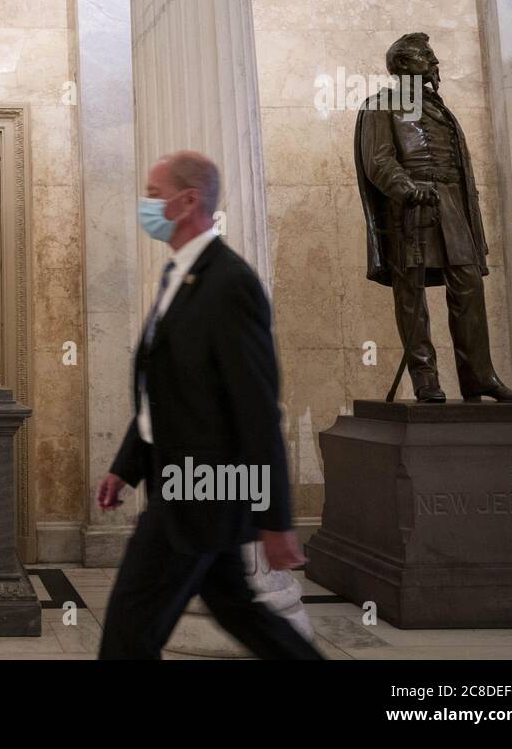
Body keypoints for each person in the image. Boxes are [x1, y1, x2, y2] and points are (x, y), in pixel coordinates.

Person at [96, 151, 321, 660]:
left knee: (128, 634)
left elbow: (258, 408)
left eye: (154, 194)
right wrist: (126, 468)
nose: (146, 204)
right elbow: (167, 391)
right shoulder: (182, 274)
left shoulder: (229, 282)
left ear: (188, 200)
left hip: (198, 489)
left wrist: (275, 517)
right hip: (187, 485)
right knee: (240, 610)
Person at [355, 32, 512, 403]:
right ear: (403, 65)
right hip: (410, 211)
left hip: (451, 205)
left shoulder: (438, 108)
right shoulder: (380, 106)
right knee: (411, 293)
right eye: (427, 57)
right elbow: (378, 160)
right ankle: (425, 378)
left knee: (468, 284)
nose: (435, 63)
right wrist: (406, 188)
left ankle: (479, 377)